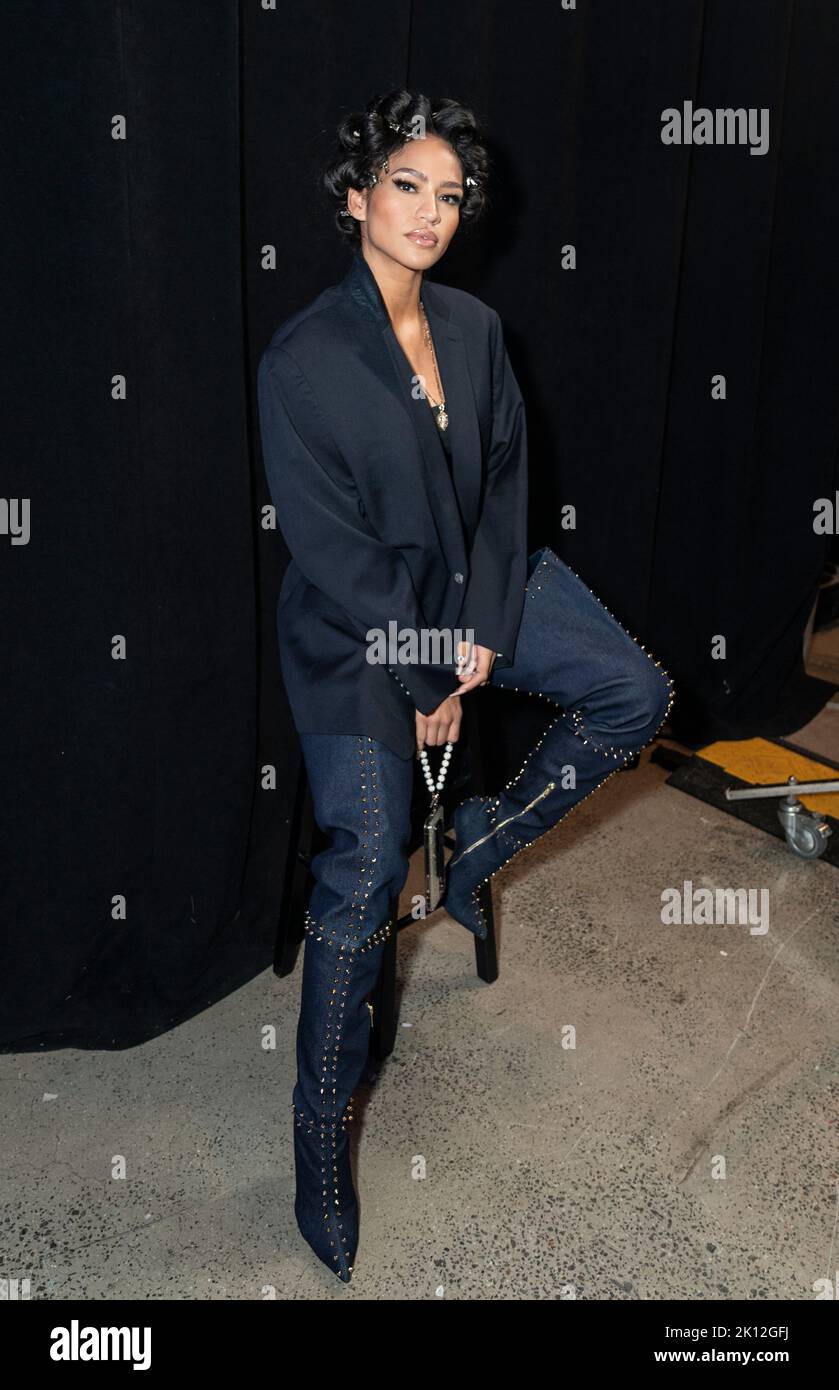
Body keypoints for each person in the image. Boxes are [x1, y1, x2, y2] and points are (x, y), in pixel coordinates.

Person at [257, 89, 675, 1284]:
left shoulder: (479, 330)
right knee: (364, 863)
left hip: (477, 592)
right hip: (358, 629)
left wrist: (482, 628)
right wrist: (430, 664)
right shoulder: (302, 359)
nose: (431, 212)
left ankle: (481, 839)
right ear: (355, 197)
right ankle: (319, 1139)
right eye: (406, 186)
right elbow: (332, 555)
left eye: (449, 195)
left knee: (632, 697)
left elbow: (505, 492)